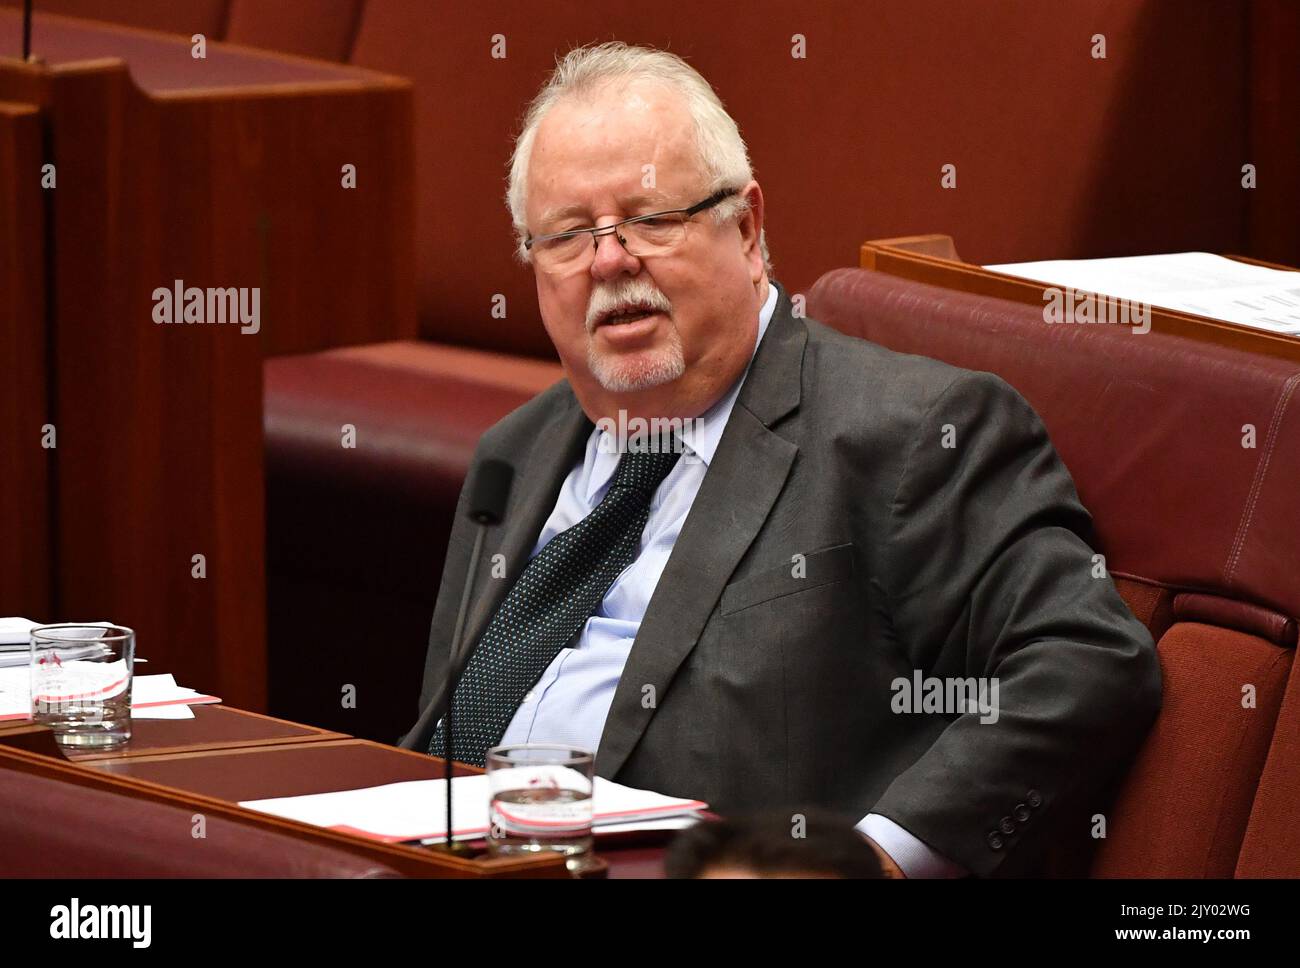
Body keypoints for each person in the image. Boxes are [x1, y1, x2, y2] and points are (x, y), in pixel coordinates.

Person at [402, 41, 1161, 878]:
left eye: (651, 219)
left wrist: (875, 859)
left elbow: (1085, 663)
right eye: (569, 236)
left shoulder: (910, 433)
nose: (610, 260)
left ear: (748, 226)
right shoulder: (517, 454)